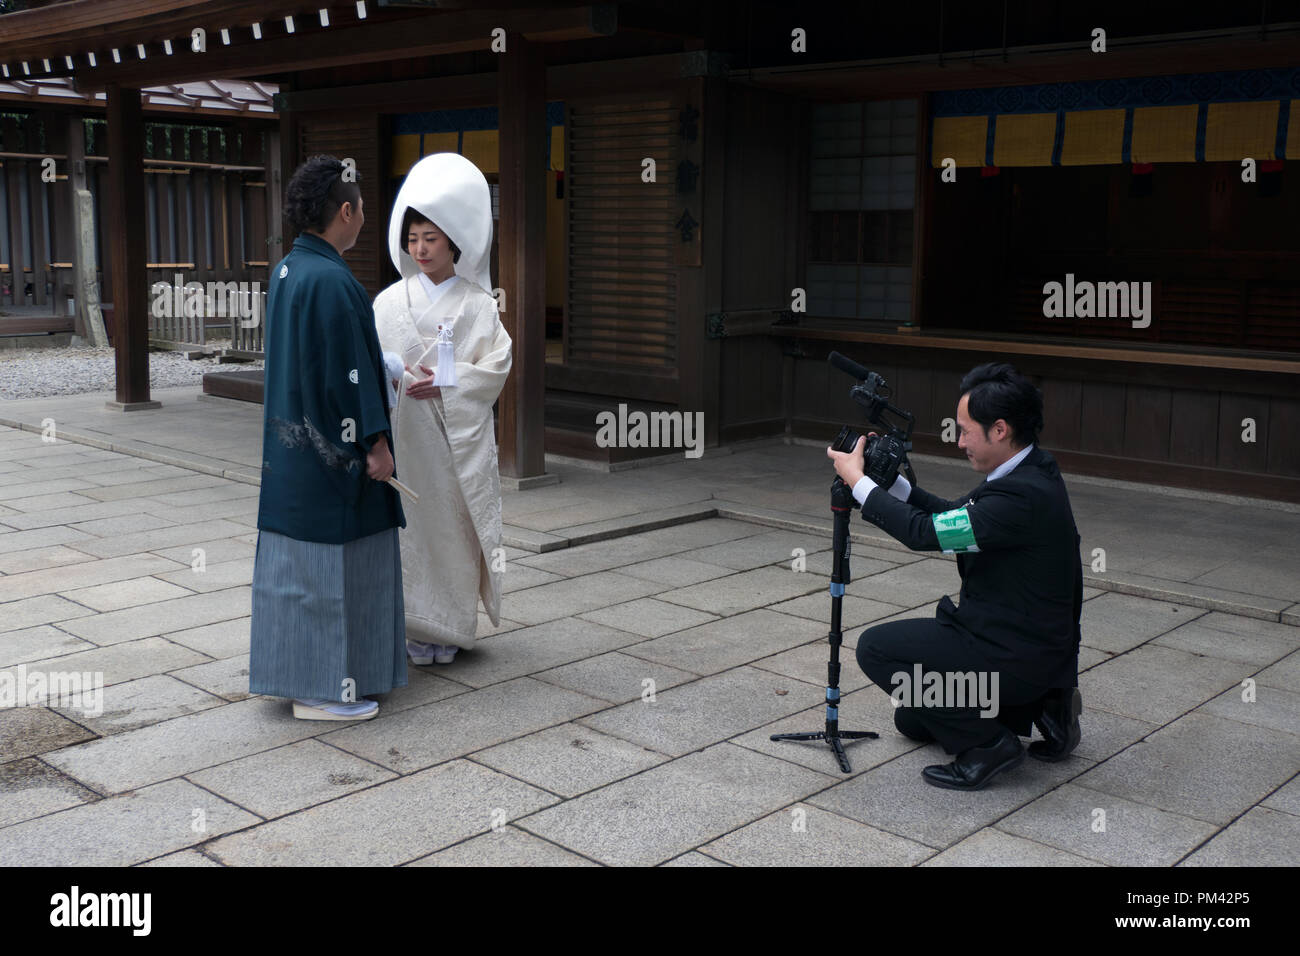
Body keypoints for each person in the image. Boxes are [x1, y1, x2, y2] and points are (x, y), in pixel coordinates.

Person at [827, 362, 1083, 790]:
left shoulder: (1019, 497)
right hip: (1035, 647)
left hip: (1012, 651)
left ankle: (989, 745)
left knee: (877, 650)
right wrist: (888, 483)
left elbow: (925, 533)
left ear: (999, 429)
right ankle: (1045, 705)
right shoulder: (1031, 470)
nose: (959, 440)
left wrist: (857, 483)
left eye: (966, 430)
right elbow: (952, 516)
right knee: (911, 716)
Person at [248, 154, 407, 721]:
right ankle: (324, 689)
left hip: (290, 450)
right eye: (362, 205)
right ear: (346, 210)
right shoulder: (336, 281)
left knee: (295, 576)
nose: (365, 214)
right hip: (330, 455)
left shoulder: (289, 269)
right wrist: (376, 443)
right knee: (332, 573)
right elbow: (350, 374)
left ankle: (302, 677)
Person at [373, 153, 513, 666]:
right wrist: (394, 376)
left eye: (430, 238)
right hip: (406, 437)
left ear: (454, 240)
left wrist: (449, 383)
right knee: (409, 531)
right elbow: (369, 363)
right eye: (413, 239)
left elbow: (496, 364)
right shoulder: (389, 302)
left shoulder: (478, 303)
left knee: (452, 529)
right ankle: (412, 624)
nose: (421, 248)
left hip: (453, 443)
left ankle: (451, 626)